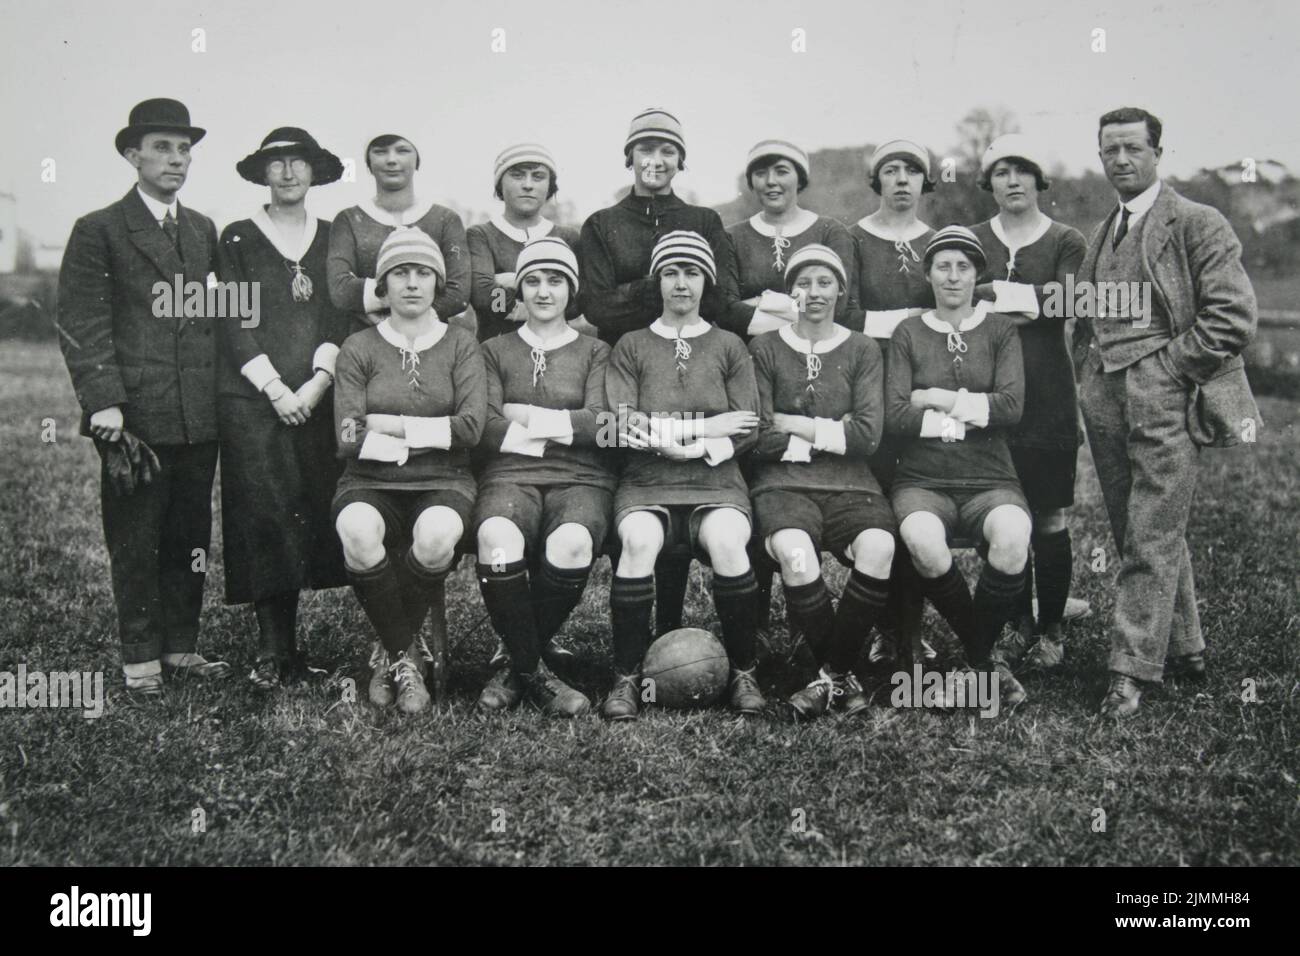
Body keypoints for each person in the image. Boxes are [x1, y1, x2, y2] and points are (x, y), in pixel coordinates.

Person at [1074, 108, 1260, 718]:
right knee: (1137, 527)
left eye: (1132, 148)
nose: (1121, 160)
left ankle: (1130, 670)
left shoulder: (1197, 222)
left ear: (1158, 152)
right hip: (1106, 396)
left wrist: (1171, 370)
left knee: (1152, 532)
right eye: (1110, 151)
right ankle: (1184, 649)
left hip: (1165, 395)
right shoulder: (1106, 229)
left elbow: (1231, 315)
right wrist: (1091, 376)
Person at [56, 97, 231, 695]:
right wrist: (104, 401)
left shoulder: (202, 229)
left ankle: (180, 646)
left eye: (184, 149)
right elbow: (82, 321)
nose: (176, 160)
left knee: (190, 537)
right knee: (135, 535)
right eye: (161, 147)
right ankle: (140, 657)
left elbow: (209, 316)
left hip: (197, 414)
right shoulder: (99, 229)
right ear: (132, 156)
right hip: (134, 416)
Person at [577, 108, 741, 639]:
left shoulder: (706, 222)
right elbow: (598, 307)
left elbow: (720, 299)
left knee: (692, 493)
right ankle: (641, 640)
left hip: (694, 364)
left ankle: (671, 631)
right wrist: (660, 289)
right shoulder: (602, 225)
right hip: (629, 369)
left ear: (681, 160)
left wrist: (671, 296)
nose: (656, 159)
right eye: (645, 149)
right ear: (629, 157)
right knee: (645, 492)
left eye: (667, 150)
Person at [602, 231, 763, 720]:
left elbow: (749, 425)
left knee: (729, 543)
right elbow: (617, 424)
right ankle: (627, 676)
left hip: (716, 483)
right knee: (637, 544)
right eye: (671, 272)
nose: (681, 283)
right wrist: (703, 428)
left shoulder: (729, 345)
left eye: (692, 273)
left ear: (706, 281)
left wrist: (680, 439)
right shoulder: (630, 345)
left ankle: (744, 671)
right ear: (657, 280)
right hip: (646, 482)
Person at [217, 127, 351, 689]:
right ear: (262, 173)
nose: (290, 173)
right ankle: (275, 653)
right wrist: (274, 388)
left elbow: (339, 313)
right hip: (254, 399)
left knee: (314, 507)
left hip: (318, 396)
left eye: (300, 163)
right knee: (265, 512)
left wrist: (319, 382)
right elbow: (230, 318)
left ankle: (308, 653)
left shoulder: (333, 236)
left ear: (315, 172)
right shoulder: (238, 238)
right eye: (278, 164)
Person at [332, 228, 486, 714]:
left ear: (438, 283)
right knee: (357, 530)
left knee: (439, 534)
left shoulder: (461, 345)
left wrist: (389, 427)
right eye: (400, 273)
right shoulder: (358, 346)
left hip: (444, 481)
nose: (412, 284)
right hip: (369, 482)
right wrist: (420, 436)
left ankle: (389, 653)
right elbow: (347, 437)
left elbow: (471, 428)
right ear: (383, 284)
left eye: (423, 273)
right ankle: (404, 656)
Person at [885, 226, 1031, 707]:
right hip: (923, 479)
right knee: (923, 540)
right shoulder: (908, 332)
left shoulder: (1000, 330)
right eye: (942, 267)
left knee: (1012, 536)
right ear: (927, 274)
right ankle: (984, 660)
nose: (952, 277)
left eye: (963, 267)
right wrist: (963, 420)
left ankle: (974, 662)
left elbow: (1010, 407)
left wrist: (937, 397)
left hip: (990, 477)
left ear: (976, 275)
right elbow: (896, 414)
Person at [748, 245, 895, 719]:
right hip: (782, 483)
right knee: (794, 549)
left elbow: (869, 436)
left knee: (879, 547)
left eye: (824, 282)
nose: (814, 292)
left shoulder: (862, 349)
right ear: (790, 291)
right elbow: (758, 433)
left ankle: (829, 676)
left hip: (853, 484)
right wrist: (831, 431)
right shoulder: (765, 347)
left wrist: (795, 423)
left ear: (841, 290)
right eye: (804, 283)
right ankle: (843, 678)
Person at [472, 237, 613, 716]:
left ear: (571, 290)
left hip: (581, 477)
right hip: (510, 473)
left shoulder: (596, 350)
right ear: (520, 290)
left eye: (555, 281)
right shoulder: (493, 349)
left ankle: (517, 667)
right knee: (495, 535)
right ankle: (536, 672)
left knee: (572, 543)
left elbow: (601, 424)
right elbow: (486, 427)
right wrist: (560, 424)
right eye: (532, 280)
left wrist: (522, 413)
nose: (544, 291)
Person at [969, 134, 1089, 671]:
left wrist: (999, 296)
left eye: (1022, 170)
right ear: (988, 182)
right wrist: (1022, 302)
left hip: (1048, 396)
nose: (1012, 180)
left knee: (1048, 516)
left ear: (1040, 180)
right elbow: (957, 299)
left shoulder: (1067, 240)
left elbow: (1065, 302)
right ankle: (1016, 621)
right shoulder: (970, 238)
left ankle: (1053, 627)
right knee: (1001, 515)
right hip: (986, 394)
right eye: (1000, 171)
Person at [849, 139, 938, 667]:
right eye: (891, 171)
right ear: (877, 180)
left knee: (915, 504)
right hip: (871, 384)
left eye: (912, 171)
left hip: (924, 387)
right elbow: (848, 314)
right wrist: (908, 321)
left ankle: (912, 626)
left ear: (925, 182)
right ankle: (884, 627)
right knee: (880, 505)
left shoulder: (941, 241)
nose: (901, 179)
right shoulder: (853, 238)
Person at [326, 133, 471, 333]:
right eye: (380, 152)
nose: (391, 160)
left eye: (402, 150)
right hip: (365, 342)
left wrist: (409, 321)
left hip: (432, 341)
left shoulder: (445, 219)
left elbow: (459, 292)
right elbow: (340, 290)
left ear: (417, 160)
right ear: (368, 163)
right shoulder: (348, 220)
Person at [724, 139, 857, 342]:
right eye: (760, 173)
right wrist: (807, 317)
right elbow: (728, 312)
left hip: (818, 351)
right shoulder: (731, 237)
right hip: (752, 355)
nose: (770, 181)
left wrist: (764, 301)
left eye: (782, 171)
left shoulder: (830, 232)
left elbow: (837, 308)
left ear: (800, 179)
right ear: (751, 181)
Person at [467, 144, 583, 342]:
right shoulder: (481, 235)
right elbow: (485, 298)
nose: (528, 185)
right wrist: (548, 304)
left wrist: (508, 281)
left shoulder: (568, 237)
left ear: (549, 185)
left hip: (557, 350)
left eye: (538, 176)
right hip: (495, 351)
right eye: (518, 175)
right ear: (499, 183)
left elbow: (578, 304)